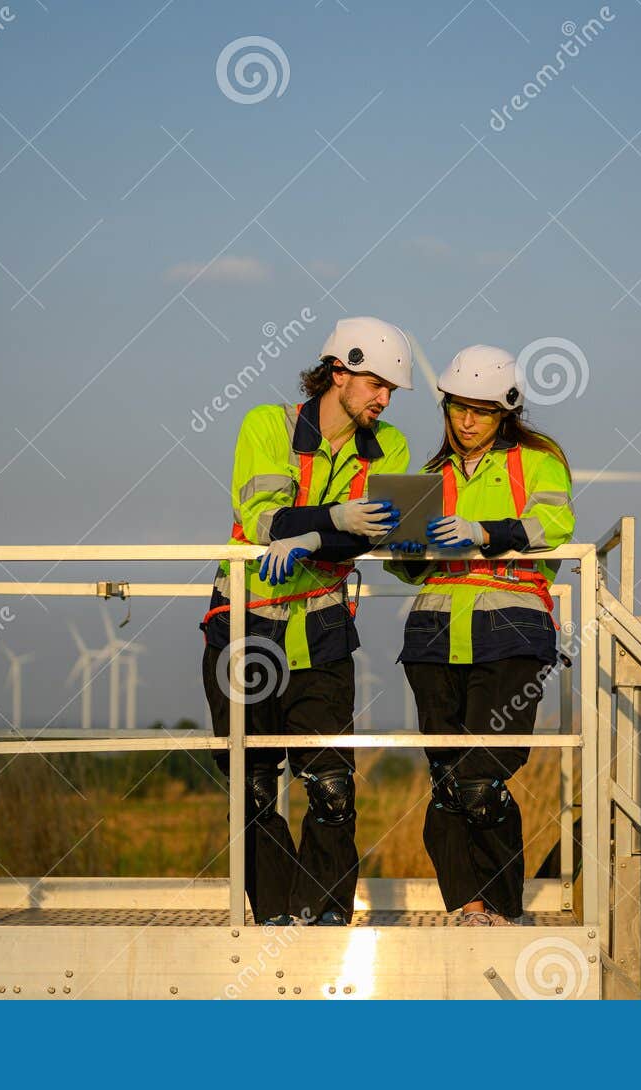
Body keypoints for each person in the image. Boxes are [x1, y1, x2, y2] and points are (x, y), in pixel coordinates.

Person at [200, 317, 413, 927]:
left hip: (321, 631)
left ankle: (323, 919)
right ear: (338, 372)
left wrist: (322, 528)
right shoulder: (267, 425)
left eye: (392, 391)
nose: (384, 400)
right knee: (255, 787)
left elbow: (374, 534)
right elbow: (266, 521)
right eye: (377, 384)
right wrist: (338, 521)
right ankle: (273, 919)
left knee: (331, 788)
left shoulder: (389, 445)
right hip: (243, 625)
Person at [388, 344, 574, 925]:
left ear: (507, 411)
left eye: (481, 410)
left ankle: (501, 906)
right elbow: (406, 569)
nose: (466, 422)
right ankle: (470, 905)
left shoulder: (538, 462)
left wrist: (483, 532)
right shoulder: (429, 477)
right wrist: (406, 548)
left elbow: (555, 525)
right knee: (447, 779)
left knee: (482, 774)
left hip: (511, 630)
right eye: (457, 409)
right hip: (434, 637)